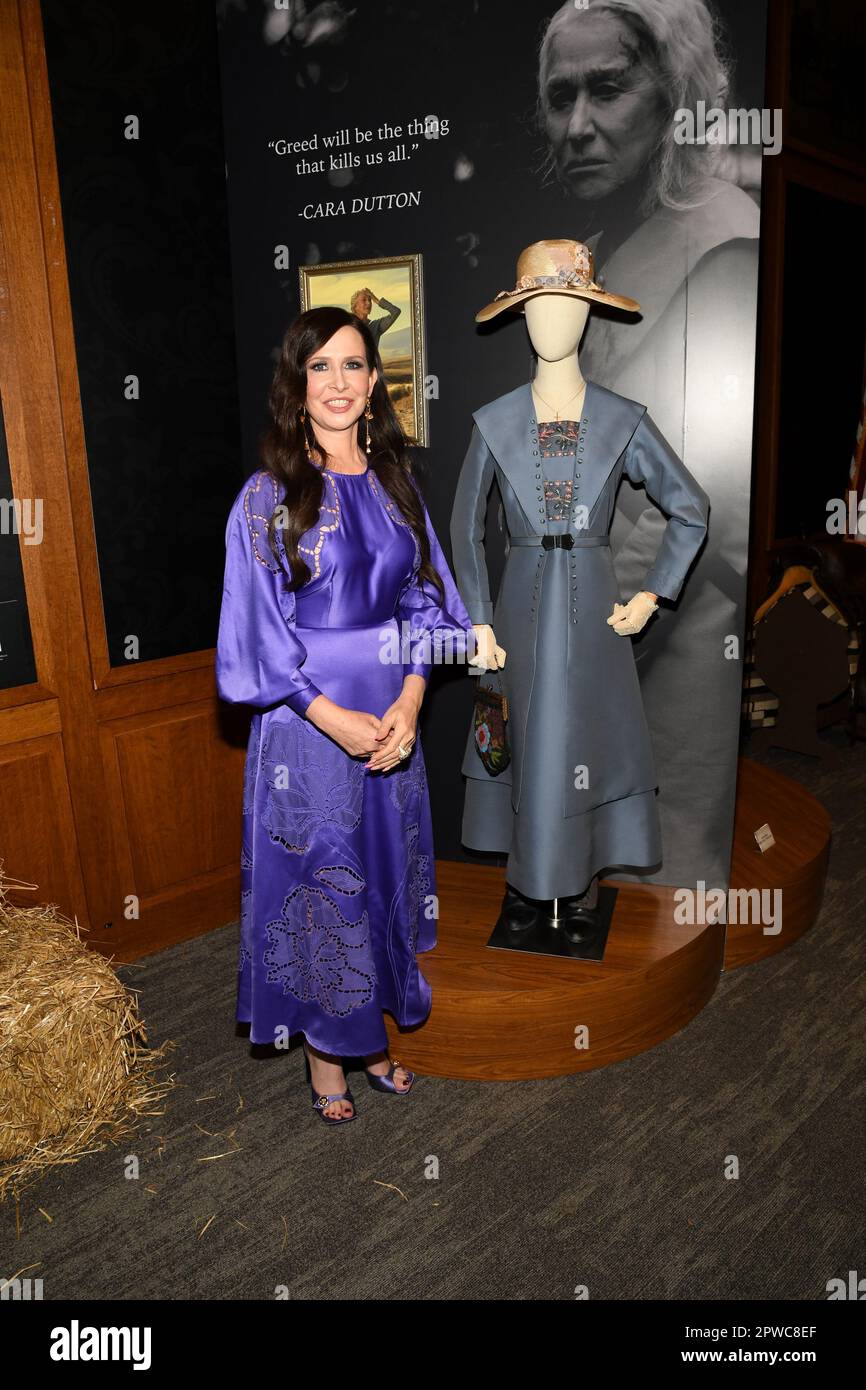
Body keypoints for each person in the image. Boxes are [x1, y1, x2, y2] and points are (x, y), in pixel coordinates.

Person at [216, 306, 472, 1124]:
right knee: (325, 887)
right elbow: (255, 636)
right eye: (318, 367)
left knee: (382, 877)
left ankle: (369, 1036)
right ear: (297, 385)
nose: (337, 382)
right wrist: (332, 717)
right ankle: (330, 1058)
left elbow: (430, 601)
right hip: (305, 730)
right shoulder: (267, 496)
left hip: (391, 718)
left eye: (353, 365)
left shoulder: (398, 483)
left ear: (374, 384)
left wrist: (409, 697)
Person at [350, 287, 401, 351]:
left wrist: (376, 300)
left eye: (370, 300)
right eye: (364, 300)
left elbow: (396, 312)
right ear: (355, 306)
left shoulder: (375, 327)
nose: (368, 303)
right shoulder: (347, 326)